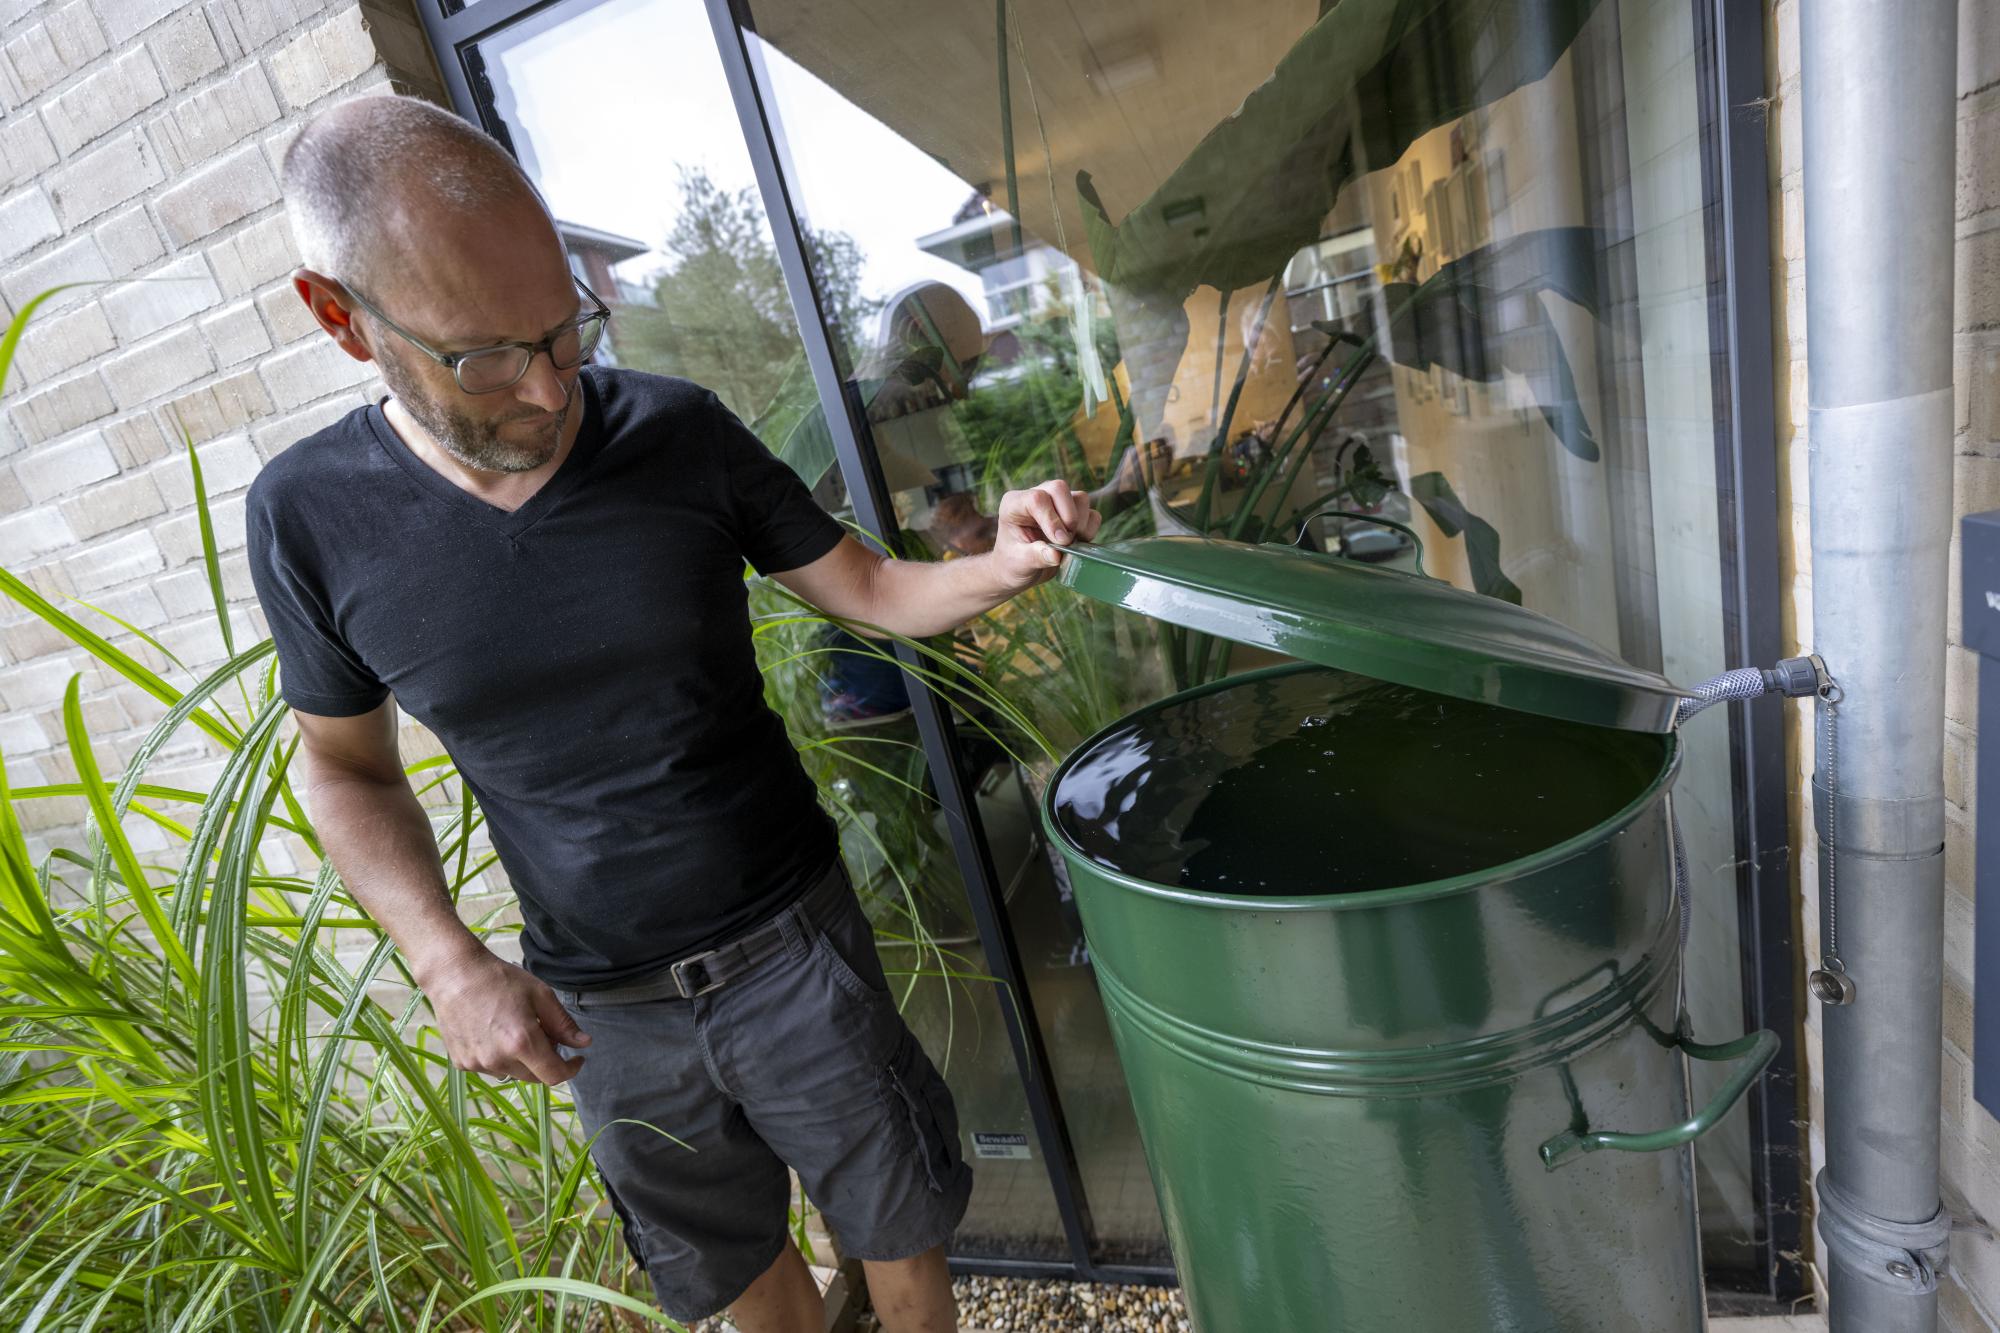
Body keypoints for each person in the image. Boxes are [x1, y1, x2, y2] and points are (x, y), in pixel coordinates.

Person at [244, 94, 1103, 1333]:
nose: (548, 388)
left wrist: (1004, 560)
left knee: (899, 1225)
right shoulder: (309, 515)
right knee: (738, 1275)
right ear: (339, 318)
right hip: (603, 1011)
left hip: (795, 946)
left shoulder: (676, 430)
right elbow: (343, 768)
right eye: (487, 355)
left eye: (564, 330)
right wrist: (444, 961)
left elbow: (868, 586)